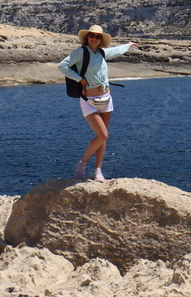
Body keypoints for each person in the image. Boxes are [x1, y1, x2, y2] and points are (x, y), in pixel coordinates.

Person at [57, 24, 137, 182]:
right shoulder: (81, 52)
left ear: (101, 39)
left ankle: (98, 170)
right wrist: (79, 79)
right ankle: (82, 162)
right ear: (87, 37)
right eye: (92, 35)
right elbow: (62, 66)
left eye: (98, 36)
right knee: (102, 135)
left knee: (102, 137)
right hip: (89, 100)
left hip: (106, 99)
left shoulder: (101, 52)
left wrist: (128, 45)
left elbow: (115, 51)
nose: (94, 38)